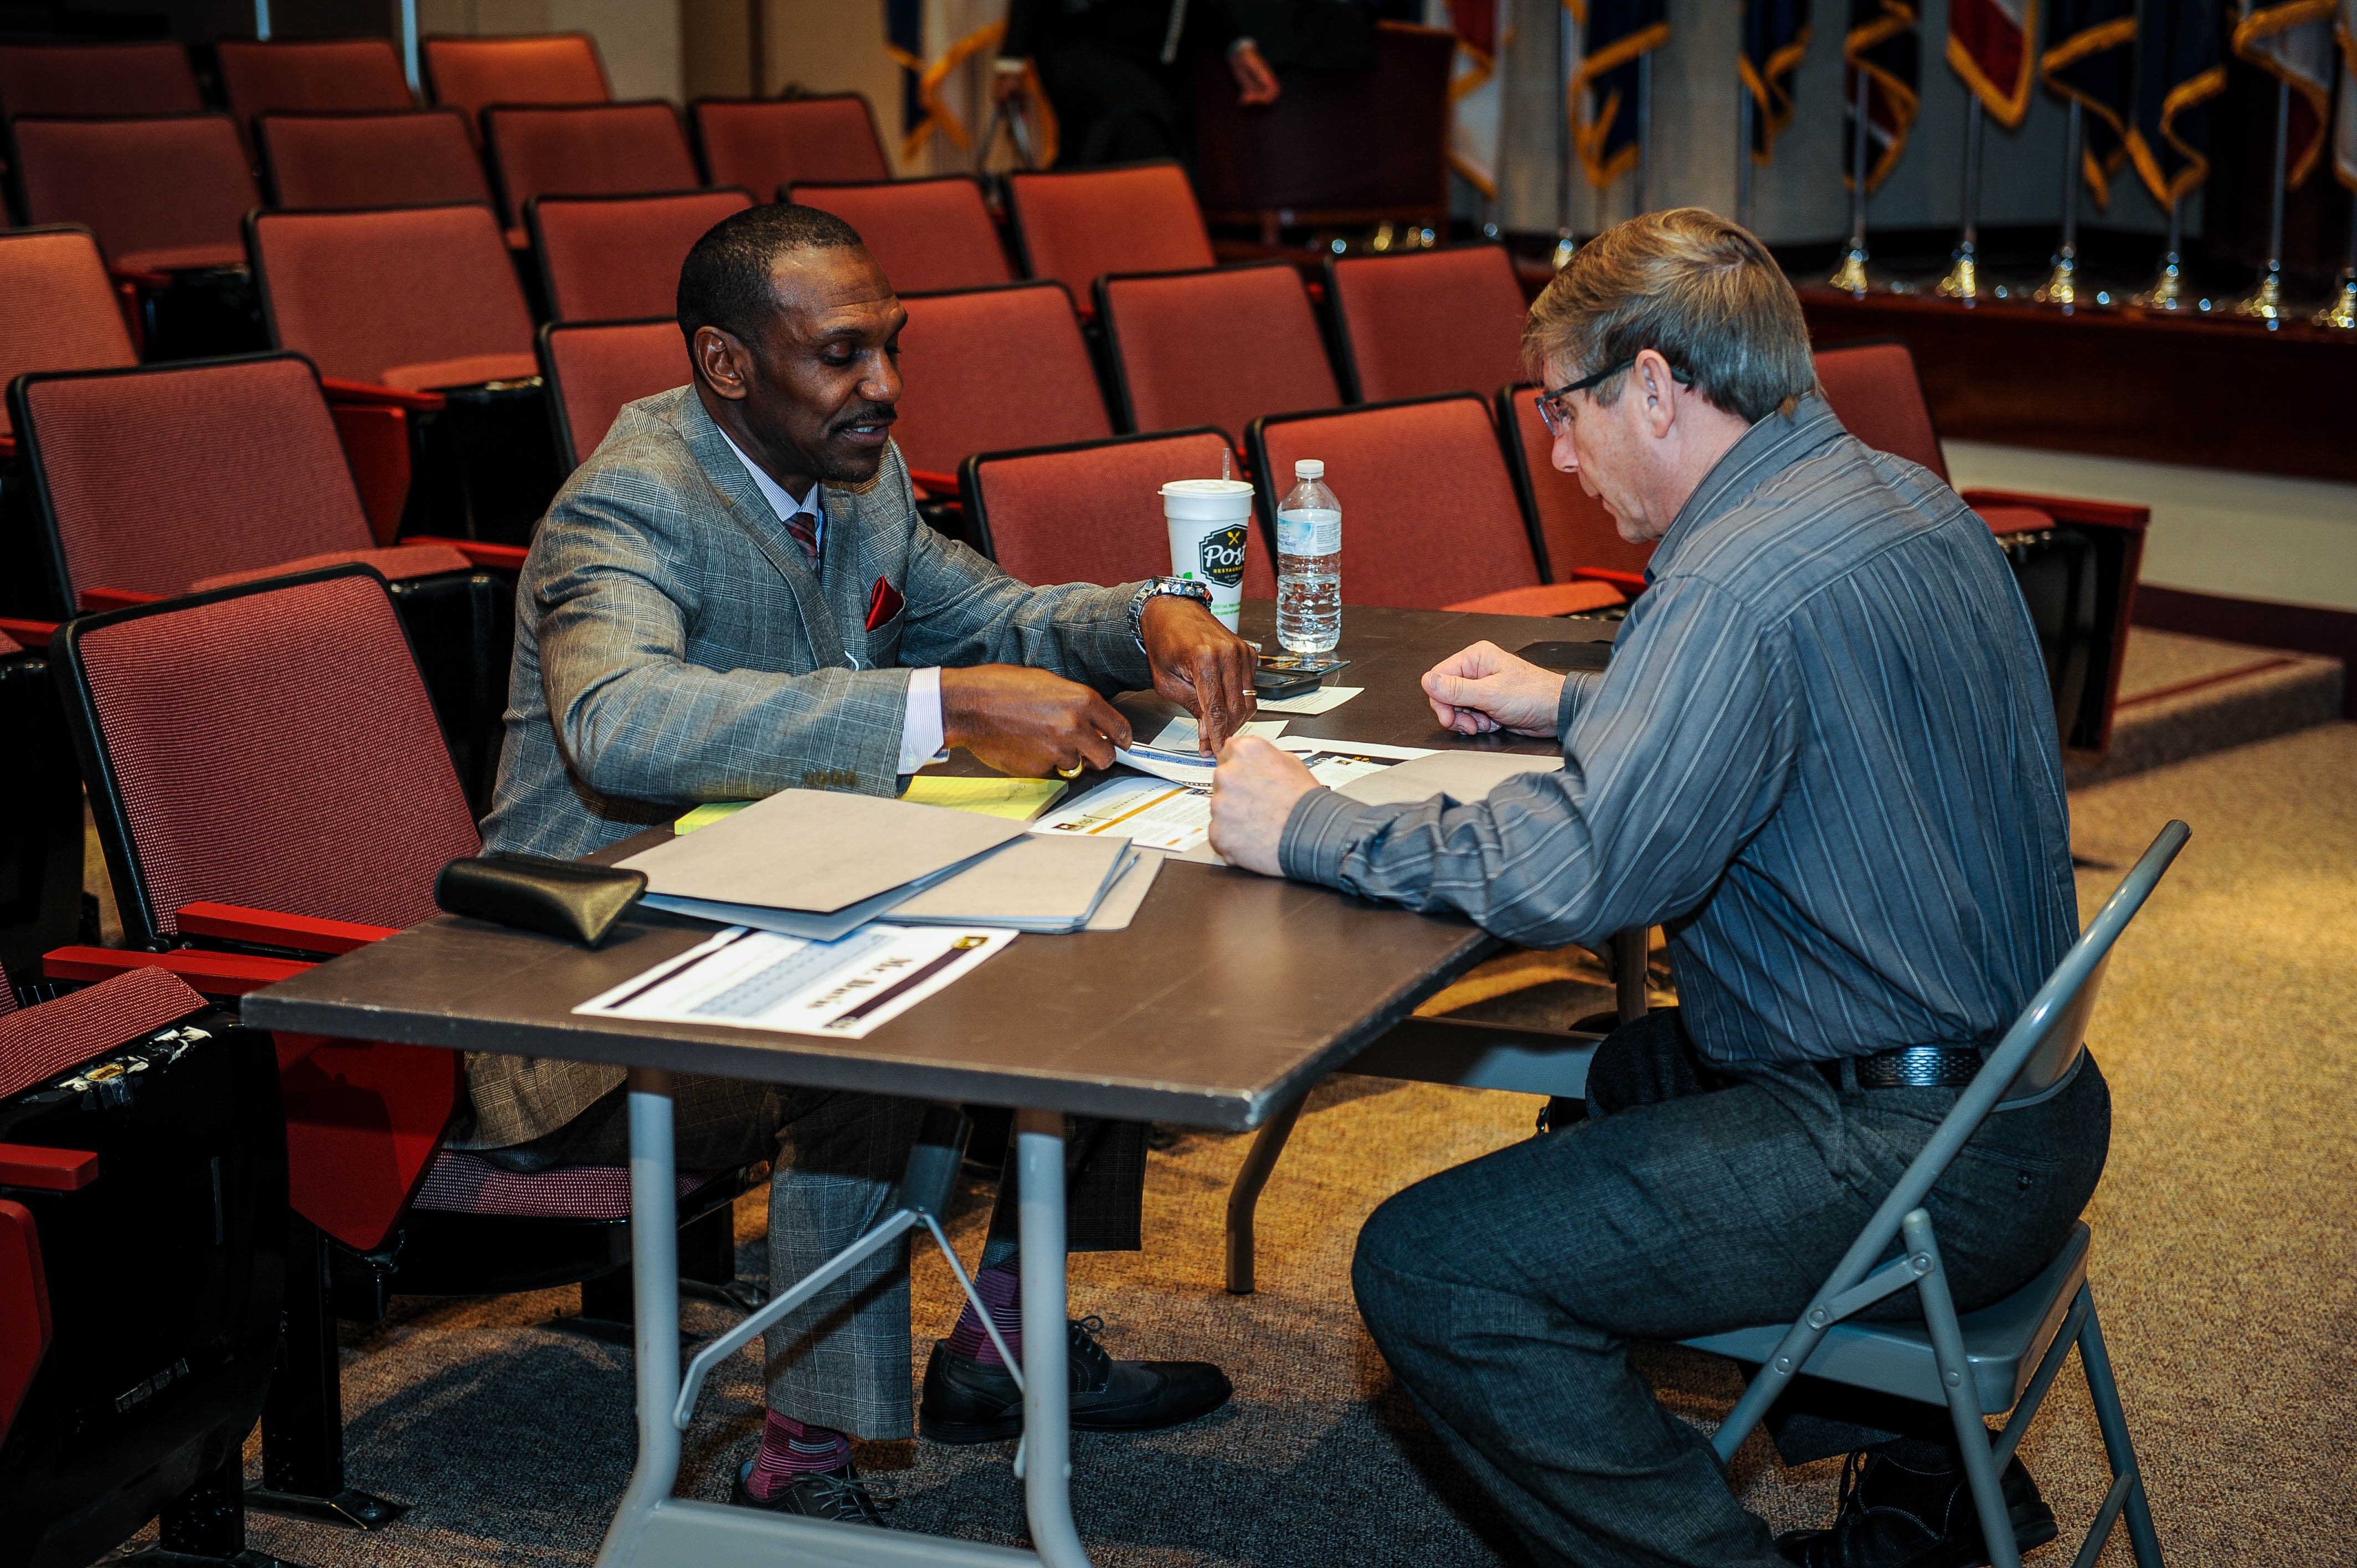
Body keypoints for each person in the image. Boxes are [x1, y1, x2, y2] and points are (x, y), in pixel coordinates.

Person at [1205, 208, 2110, 1568]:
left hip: (1928, 1158)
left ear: (1653, 383)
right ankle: (1932, 1478)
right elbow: (1806, 703)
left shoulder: (1728, 584)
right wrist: (1581, 698)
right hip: (2027, 1095)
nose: (1559, 454)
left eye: (1562, 412)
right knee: (1630, 1074)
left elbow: (1578, 870)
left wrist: (1308, 825)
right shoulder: (1897, 494)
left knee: (1429, 1263)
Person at [466, 202, 1259, 1523]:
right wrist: (938, 709)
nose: (883, 386)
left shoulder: (855, 470)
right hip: (597, 979)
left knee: (1111, 922)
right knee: (891, 1035)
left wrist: (1140, 615)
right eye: (841, 355)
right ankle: (801, 1469)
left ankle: (997, 1346)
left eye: (889, 347)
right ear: (727, 365)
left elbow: (991, 612)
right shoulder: (631, 500)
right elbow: (621, 720)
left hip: (785, 902)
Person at [994, 0, 1280, 167]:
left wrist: (1236, 45)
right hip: (1088, 42)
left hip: (1166, 57)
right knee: (1145, 151)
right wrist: (1012, 58)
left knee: (1167, 164)